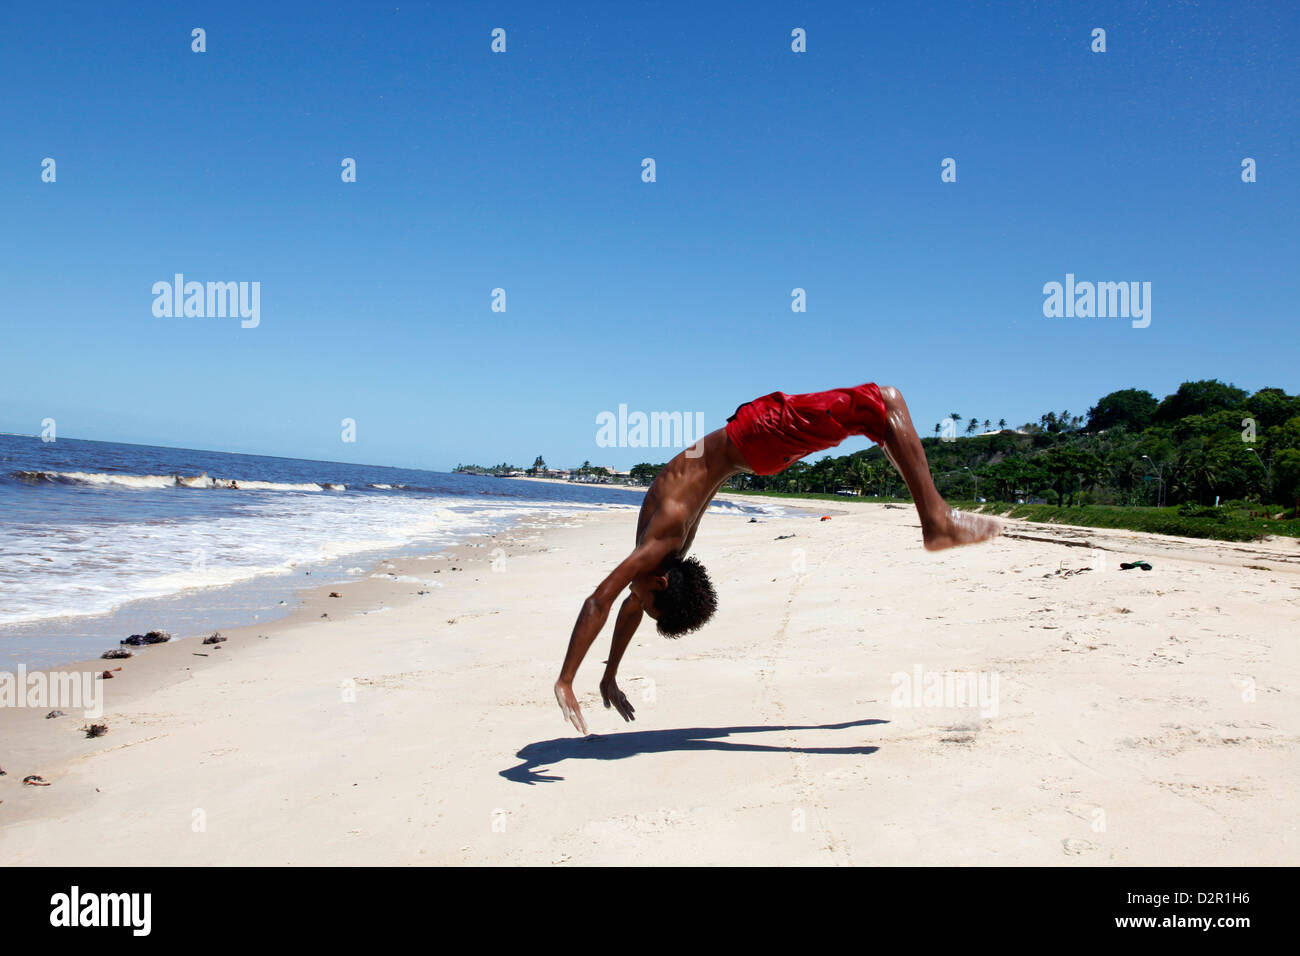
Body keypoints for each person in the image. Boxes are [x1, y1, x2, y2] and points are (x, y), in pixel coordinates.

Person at [554, 383, 1002, 733]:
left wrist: (569, 679)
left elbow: (603, 601)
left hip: (756, 437)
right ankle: (935, 520)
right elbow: (628, 604)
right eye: (650, 606)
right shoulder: (659, 553)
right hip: (755, 438)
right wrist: (609, 672)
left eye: (647, 603)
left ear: (662, 583)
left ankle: (936, 520)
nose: (639, 600)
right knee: (883, 405)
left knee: (883, 406)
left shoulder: (659, 546)